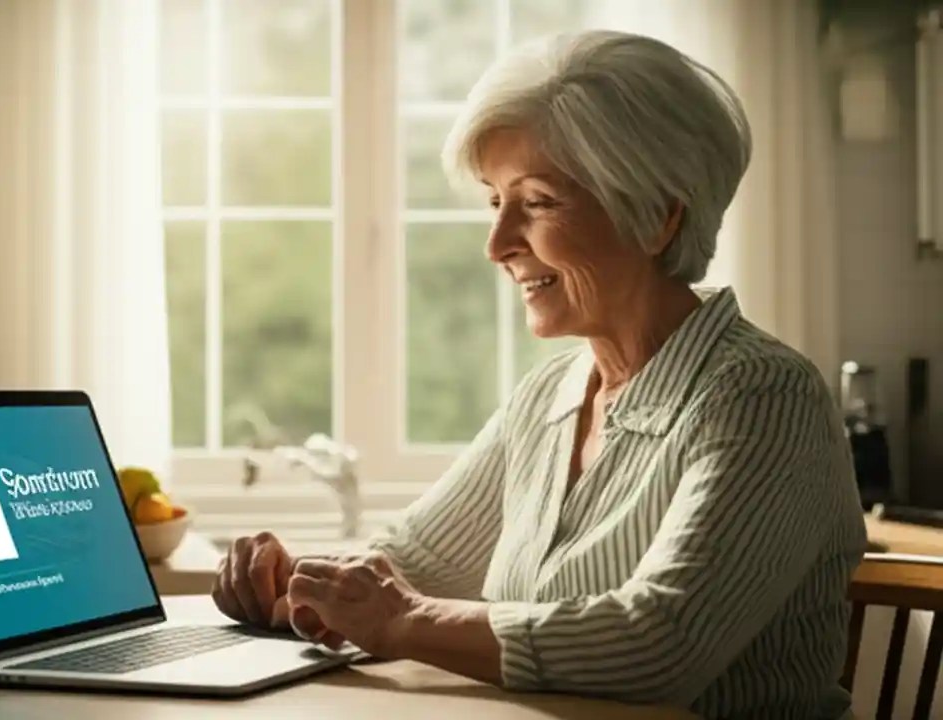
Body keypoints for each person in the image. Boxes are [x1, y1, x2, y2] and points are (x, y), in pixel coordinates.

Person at [211, 29, 866, 719]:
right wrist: (291, 582)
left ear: (658, 218)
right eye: (496, 201)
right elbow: (407, 563)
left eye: (539, 201)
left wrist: (400, 620)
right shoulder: (550, 396)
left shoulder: (763, 396)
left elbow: (659, 642)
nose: (496, 245)